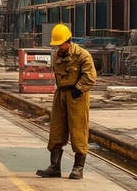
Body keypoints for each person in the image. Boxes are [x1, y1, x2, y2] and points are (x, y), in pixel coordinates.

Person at [36, 23, 96, 180]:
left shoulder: (82, 55)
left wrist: (78, 89)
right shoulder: (58, 55)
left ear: (68, 41)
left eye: (60, 44)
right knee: (56, 129)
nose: (58, 47)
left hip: (77, 96)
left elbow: (90, 77)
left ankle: (78, 168)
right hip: (61, 94)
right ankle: (54, 167)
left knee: (78, 130)